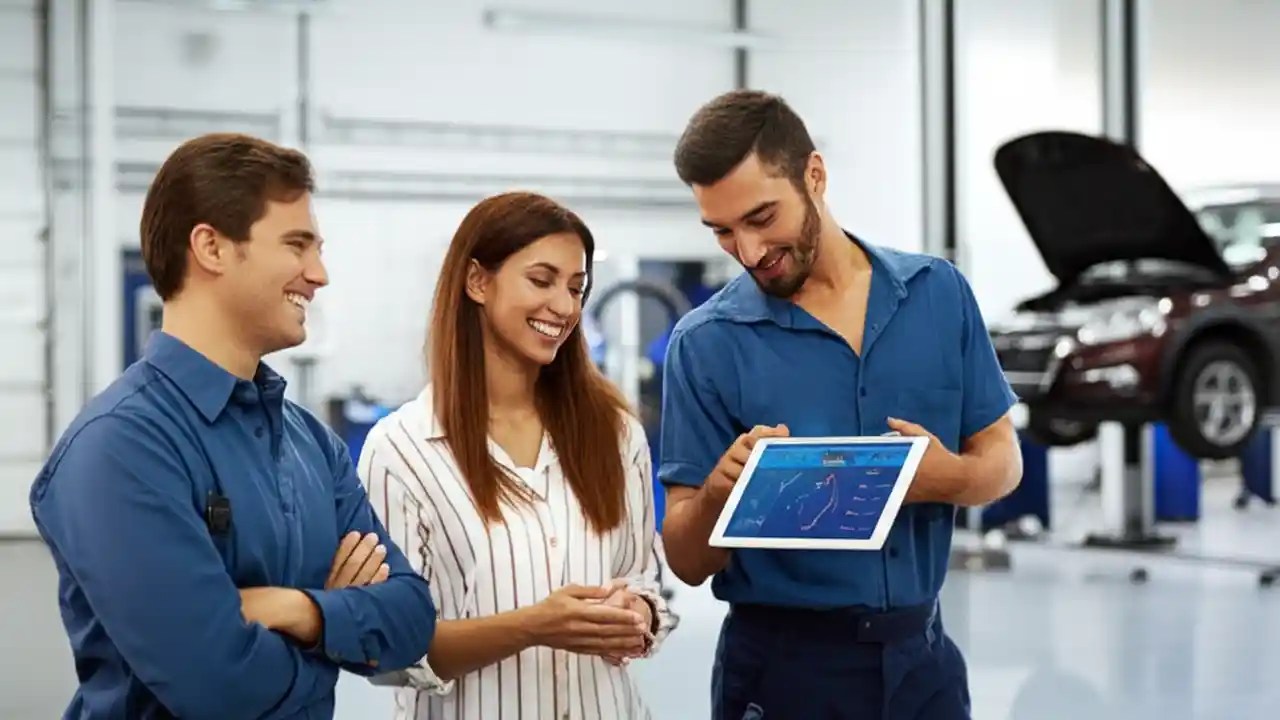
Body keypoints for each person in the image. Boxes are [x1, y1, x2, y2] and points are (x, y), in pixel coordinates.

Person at [28, 133, 438, 719]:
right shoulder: (120, 448)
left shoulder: (310, 444)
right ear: (212, 248)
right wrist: (337, 637)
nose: (318, 274)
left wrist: (299, 611)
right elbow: (220, 688)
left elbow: (411, 620)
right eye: (297, 244)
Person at [658, 90, 1023, 719]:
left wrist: (944, 479)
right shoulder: (705, 345)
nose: (747, 251)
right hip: (781, 673)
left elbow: (1002, 458)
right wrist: (720, 495)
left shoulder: (937, 296)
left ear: (815, 176)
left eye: (761, 217)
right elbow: (686, 564)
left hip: (923, 665)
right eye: (722, 231)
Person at [357, 191, 677, 719]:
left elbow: (643, 580)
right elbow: (389, 652)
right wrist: (532, 626)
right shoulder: (402, 450)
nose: (565, 306)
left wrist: (636, 613)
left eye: (577, 288)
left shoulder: (616, 434)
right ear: (478, 281)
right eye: (542, 280)